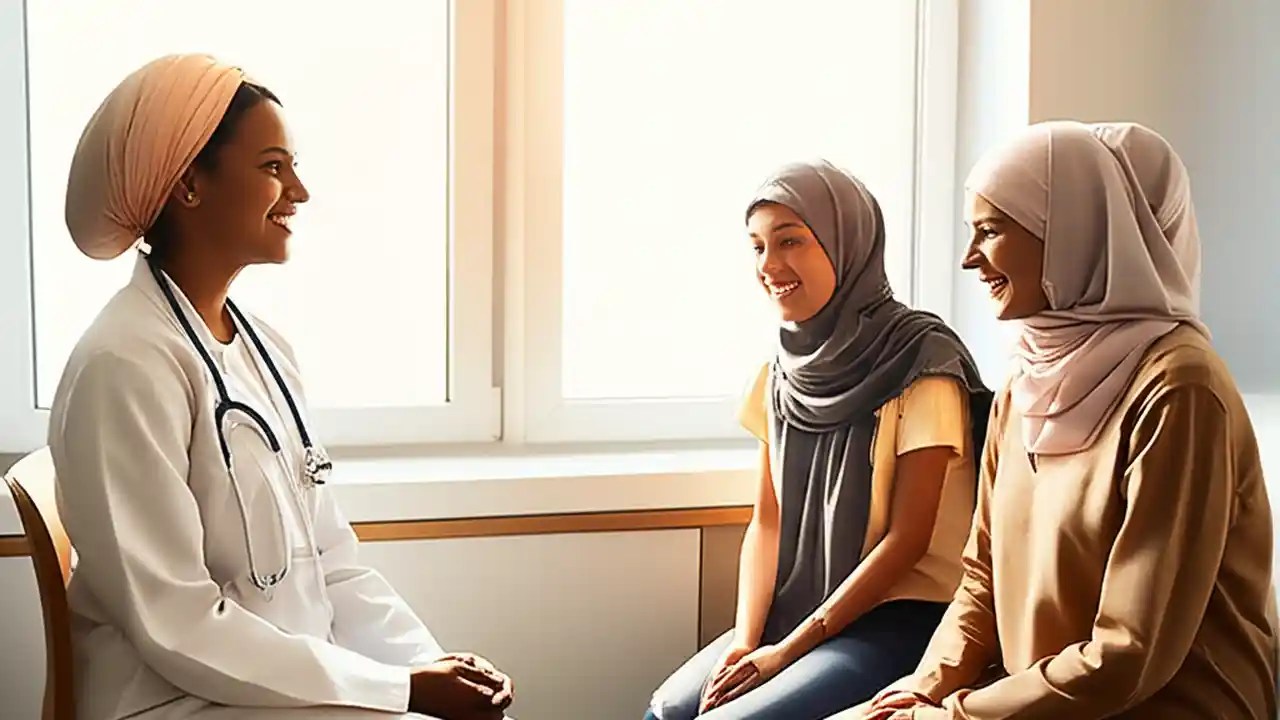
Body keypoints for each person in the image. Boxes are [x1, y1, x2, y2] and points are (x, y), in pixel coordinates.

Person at [50, 54, 514, 720]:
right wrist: (404, 690)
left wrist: (427, 665)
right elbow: (177, 623)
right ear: (188, 186)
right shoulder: (122, 365)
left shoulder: (264, 349)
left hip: (275, 684)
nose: (298, 191)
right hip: (171, 700)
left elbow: (331, 560)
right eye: (272, 166)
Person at [856, 121, 1278, 719]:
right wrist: (926, 684)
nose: (968, 258)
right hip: (1040, 703)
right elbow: (982, 571)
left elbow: (1128, 654)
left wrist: (953, 715)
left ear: (1069, 233)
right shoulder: (1023, 381)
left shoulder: (1179, 389)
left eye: (990, 231)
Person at [644, 160, 991, 719]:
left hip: (904, 615)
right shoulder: (779, 374)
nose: (770, 265)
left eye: (791, 241)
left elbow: (906, 543)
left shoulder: (923, 364)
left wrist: (785, 652)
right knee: (667, 712)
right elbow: (768, 521)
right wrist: (744, 640)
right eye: (757, 247)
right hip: (799, 607)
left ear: (846, 243)